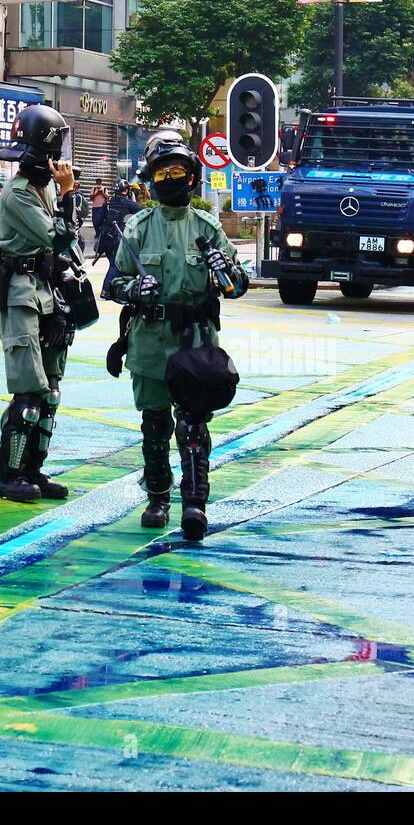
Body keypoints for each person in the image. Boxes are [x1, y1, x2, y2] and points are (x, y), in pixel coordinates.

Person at [111, 130, 250, 539]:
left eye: (179, 170)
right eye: (163, 171)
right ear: (151, 177)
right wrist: (135, 289)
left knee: (193, 425)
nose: (171, 178)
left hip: (195, 343)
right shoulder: (137, 228)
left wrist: (223, 268)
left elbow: (237, 286)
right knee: (155, 425)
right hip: (149, 342)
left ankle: (195, 504)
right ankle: (157, 497)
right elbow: (114, 283)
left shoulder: (208, 227)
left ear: (192, 177)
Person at [0, 104, 79, 502]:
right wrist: (70, 196)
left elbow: (63, 244)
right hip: (21, 295)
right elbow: (59, 238)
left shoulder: (47, 188)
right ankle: (5, 474)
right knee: (29, 393)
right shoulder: (18, 195)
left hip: (46, 291)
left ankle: (33, 470)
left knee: (50, 392)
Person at [97, 180, 142, 299]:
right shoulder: (129, 203)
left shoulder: (108, 203)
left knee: (114, 264)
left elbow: (98, 219)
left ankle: (113, 289)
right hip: (117, 238)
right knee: (115, 265)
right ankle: (106, 290)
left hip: (105, 239)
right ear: (126, 190)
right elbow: (143, 214)